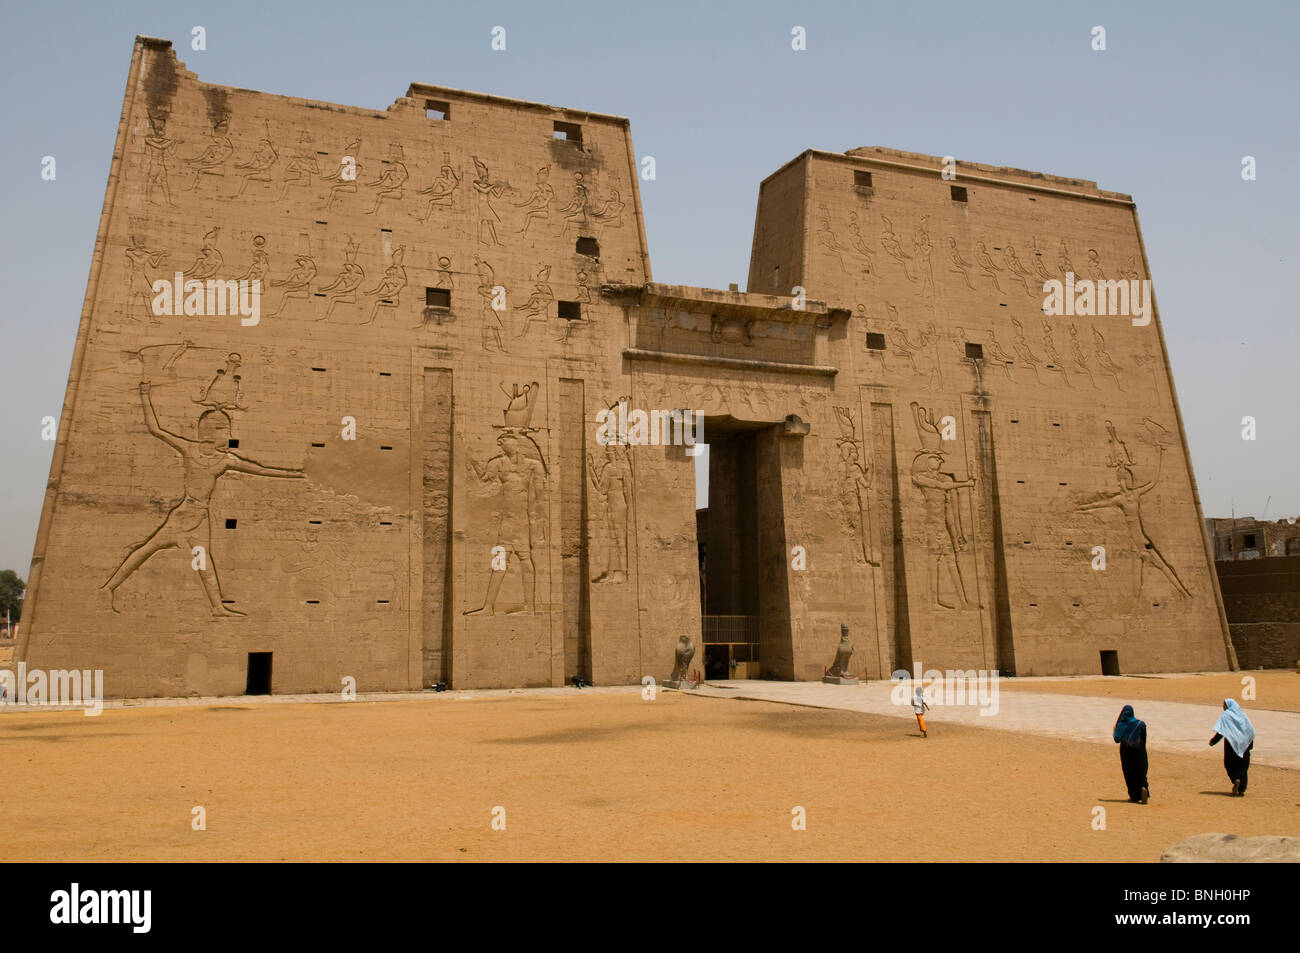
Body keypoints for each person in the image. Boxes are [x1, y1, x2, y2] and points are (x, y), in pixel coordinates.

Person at [1209, 698, 1256, 796]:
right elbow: (1249, 731)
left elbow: (1222, 731)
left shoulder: (1226, 715)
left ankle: (1235, 779)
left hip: (1231, 745)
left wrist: (1213, 741)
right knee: (1243, 766)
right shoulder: (1243, 715)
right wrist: (1250, 745)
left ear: (1228, 706)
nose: (1223, 707)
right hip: (1244, 745)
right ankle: (1242, 789)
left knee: (1229, 764)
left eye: (1224, 705)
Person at [1113, 705, 1149, 804]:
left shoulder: (1121, 725)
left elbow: (1116, 739)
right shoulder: (1140, 724)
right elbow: (1144, 739)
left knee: (1129, 773)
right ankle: (1143, 787)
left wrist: (1114, 729)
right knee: (1141, 771)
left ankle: (1134, 795)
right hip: (1139, 752)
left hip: (1126, 752)